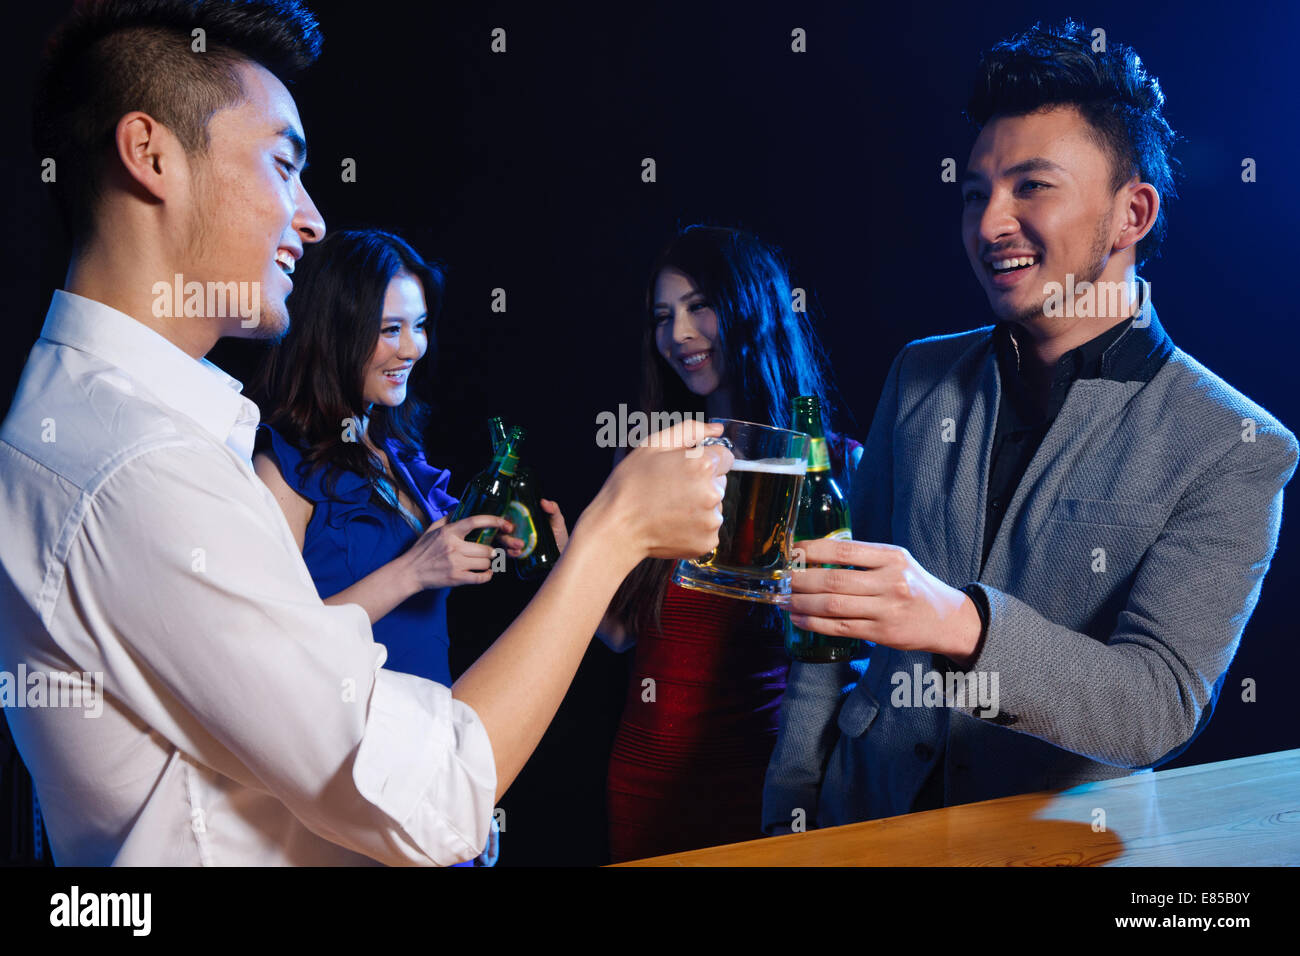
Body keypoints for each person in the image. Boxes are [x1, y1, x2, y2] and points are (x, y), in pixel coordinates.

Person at [0, 0, 732, 867]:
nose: (309, 219)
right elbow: (434, 796)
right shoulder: (142, 467)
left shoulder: (108, 423)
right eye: (283, 165)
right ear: (151, 154)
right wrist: (616, 535)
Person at [762, 18, 1298, 835]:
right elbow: (827, 622)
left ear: (1133, 214)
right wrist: (790, 812)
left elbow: (1157, 702)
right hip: (858, 826)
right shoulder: (919, 374)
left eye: (1031, 187)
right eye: (976, 193)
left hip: (1062, 854)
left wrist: (959, 623)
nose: (988, 224)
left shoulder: (1232, 443)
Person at [598, 225, 859, 862]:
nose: (678, 334)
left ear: (753, 310)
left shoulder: (839, 470)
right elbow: (619, 631)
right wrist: (574, 547)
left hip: (773, 780)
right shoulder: (655, 459)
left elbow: (848, 651)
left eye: (699, 306)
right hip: (646, 777)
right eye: (663, 316)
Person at [249, 228, 567, 691]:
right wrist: (414, 571)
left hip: (426, 731)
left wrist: (512, 537)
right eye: (390, 329)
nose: (412, 348)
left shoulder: (392, 453)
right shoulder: (278, 470)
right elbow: (269, 646)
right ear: (333, 334)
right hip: (345, 742)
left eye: (419, 326)